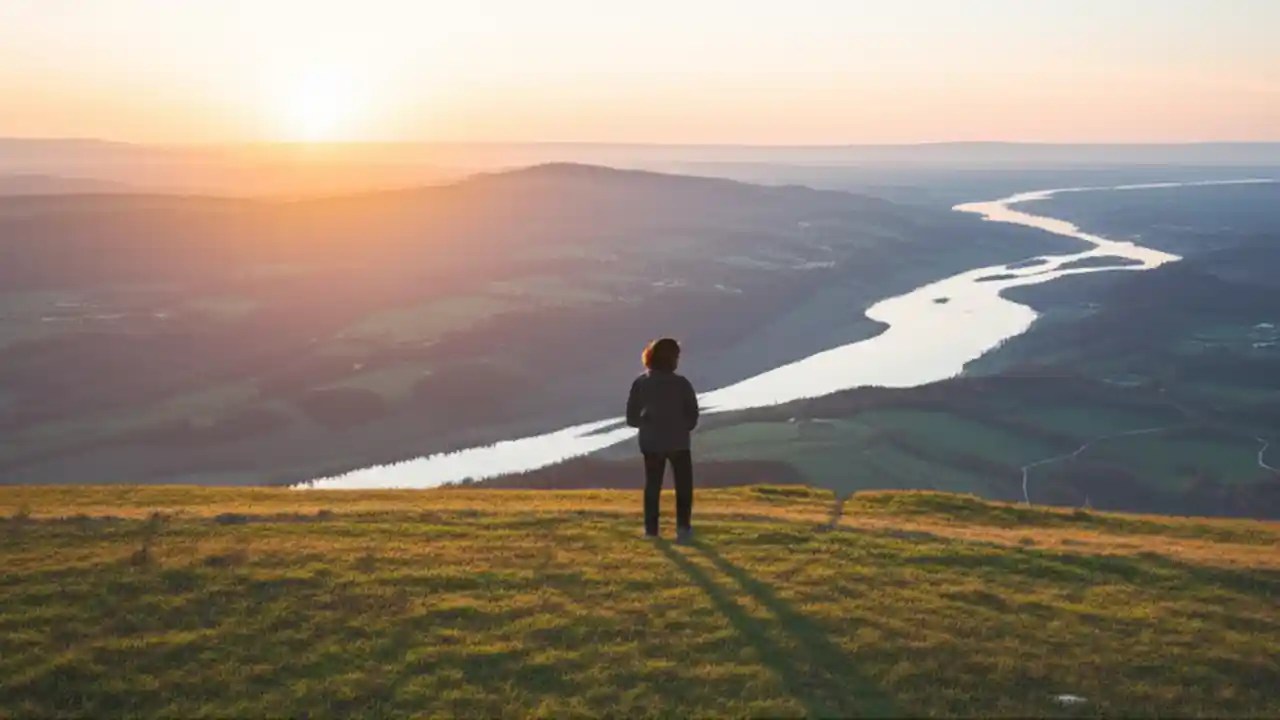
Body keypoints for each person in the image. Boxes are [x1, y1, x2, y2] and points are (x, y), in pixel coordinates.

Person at [626, 337, 699, 542]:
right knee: (683, 486)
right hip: (679, 443)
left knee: (652, 486)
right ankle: (683, 529)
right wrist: (682, 426)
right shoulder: (682, 384)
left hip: (651, 443)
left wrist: (647, 421)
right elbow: (692, 415)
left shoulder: (641, 383)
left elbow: (631, 418)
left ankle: (651, 531)